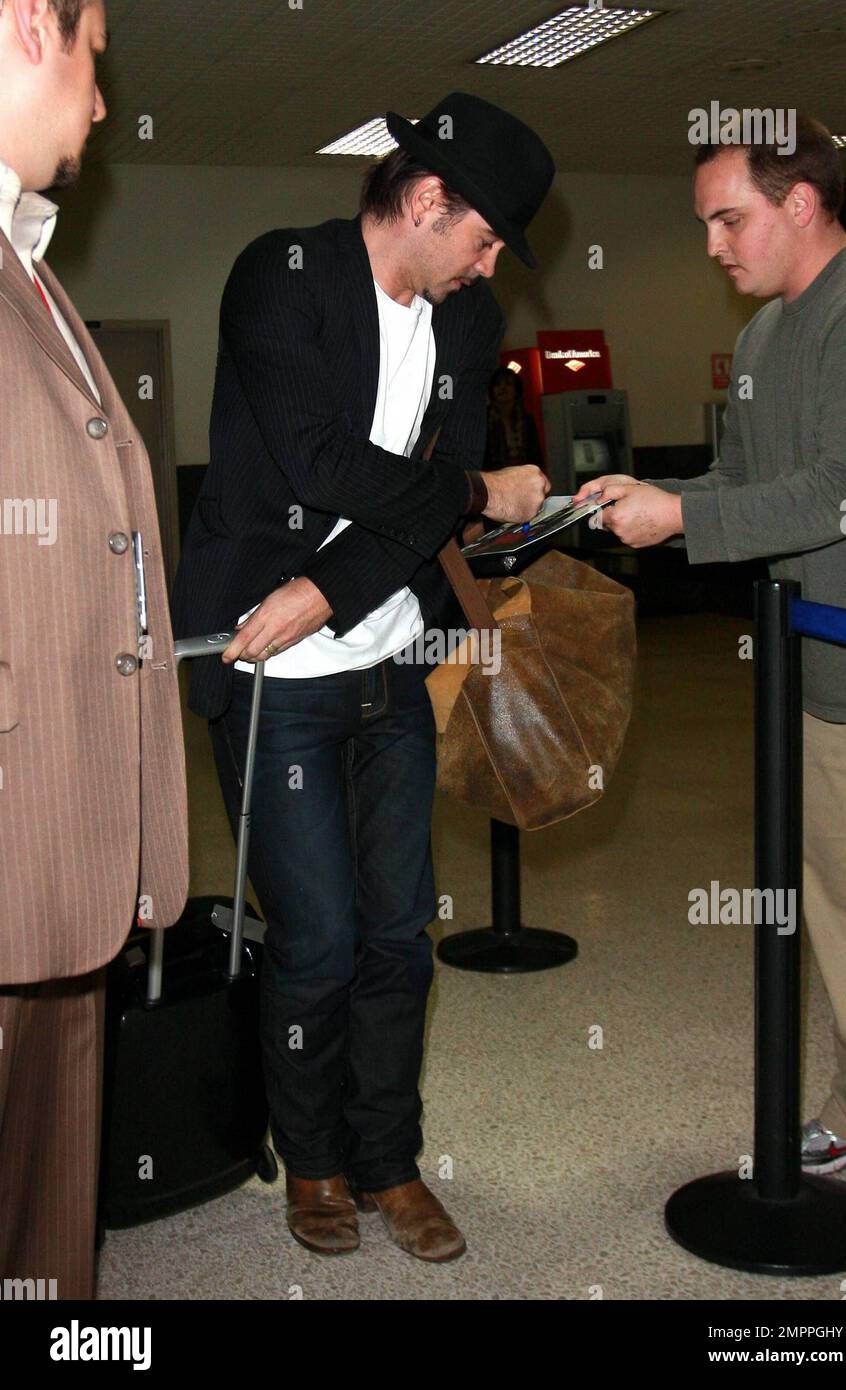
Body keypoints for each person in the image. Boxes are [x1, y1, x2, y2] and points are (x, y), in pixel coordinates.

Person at [172, 92, 553, 1261]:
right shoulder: (279, 277)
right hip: (276, 678)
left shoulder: (466, 314)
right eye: (484, 238)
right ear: (426, 200)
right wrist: (481, 491)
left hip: (390, 653)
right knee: (319, 940)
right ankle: (315, 1161)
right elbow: (324, 465)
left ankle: (390, 1162)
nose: (489, 269)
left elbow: (410, 493)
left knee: (398, 934)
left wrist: (332, 591)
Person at [575, 114, 846, 1176]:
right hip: (812, 681)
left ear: (799, 202)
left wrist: (685, 523)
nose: (713, 244)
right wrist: (657, 495)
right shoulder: (760, 340)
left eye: (728, 218)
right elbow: (749, 488)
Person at [0, 0, 189, 1299]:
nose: (106, 104)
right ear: (26, 26)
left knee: (46, 1194)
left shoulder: (28, 265)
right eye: (93, 58)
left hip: (52, 840)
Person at [484, 364, 544, 472]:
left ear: (516, 390)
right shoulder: (483, 420)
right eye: (497, 384)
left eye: (508, 384)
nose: (502, 388)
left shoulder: (526, 420)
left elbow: (535, 455)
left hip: (524, 479)